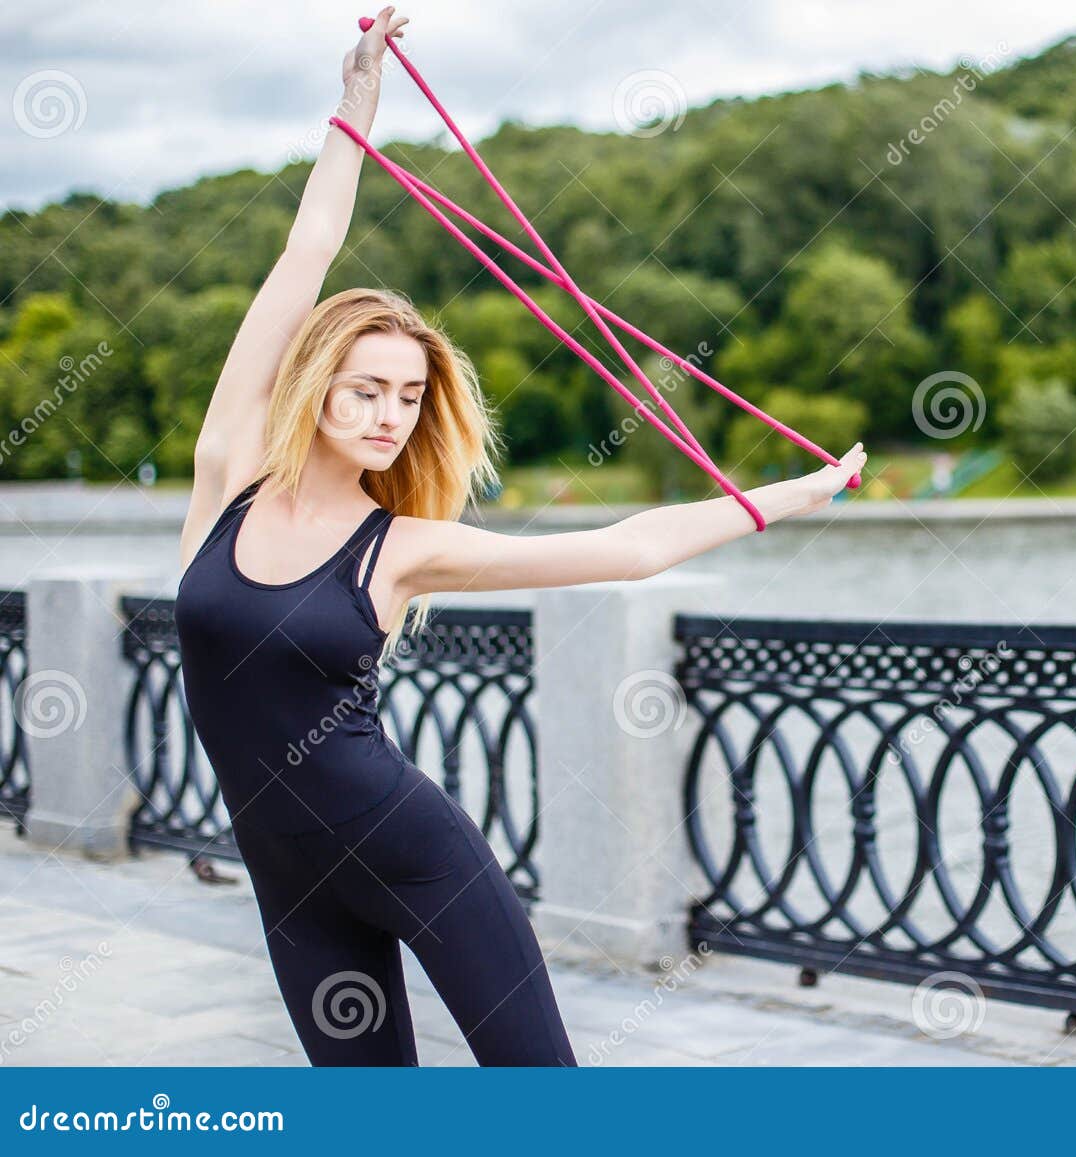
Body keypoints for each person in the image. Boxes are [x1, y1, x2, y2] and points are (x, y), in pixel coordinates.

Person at [172, 7, 868, 1067]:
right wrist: (357, 106)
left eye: (407, 397)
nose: (388, 414)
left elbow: (627, 549)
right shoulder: (225, 478)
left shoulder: (398, 546)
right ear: (316, 387)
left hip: (416, 854)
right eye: (366, 388)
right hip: (288, 876)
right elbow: (304, 254)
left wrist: (791, 494)